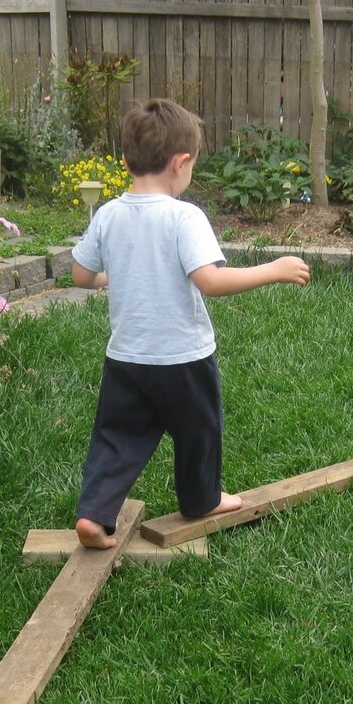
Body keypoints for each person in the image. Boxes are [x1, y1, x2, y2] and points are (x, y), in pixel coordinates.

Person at [71, 99, 311, 549]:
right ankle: (202, 499)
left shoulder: (108, 214)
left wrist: (114, 274)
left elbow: (81, 275)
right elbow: (210, 281)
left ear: (126, 162)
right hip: (183, 358)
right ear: (180, 164)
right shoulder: (184, 216)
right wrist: (274, 269)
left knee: (117, 435)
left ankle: (95, 512)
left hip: (126, 357)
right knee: (198, 429)